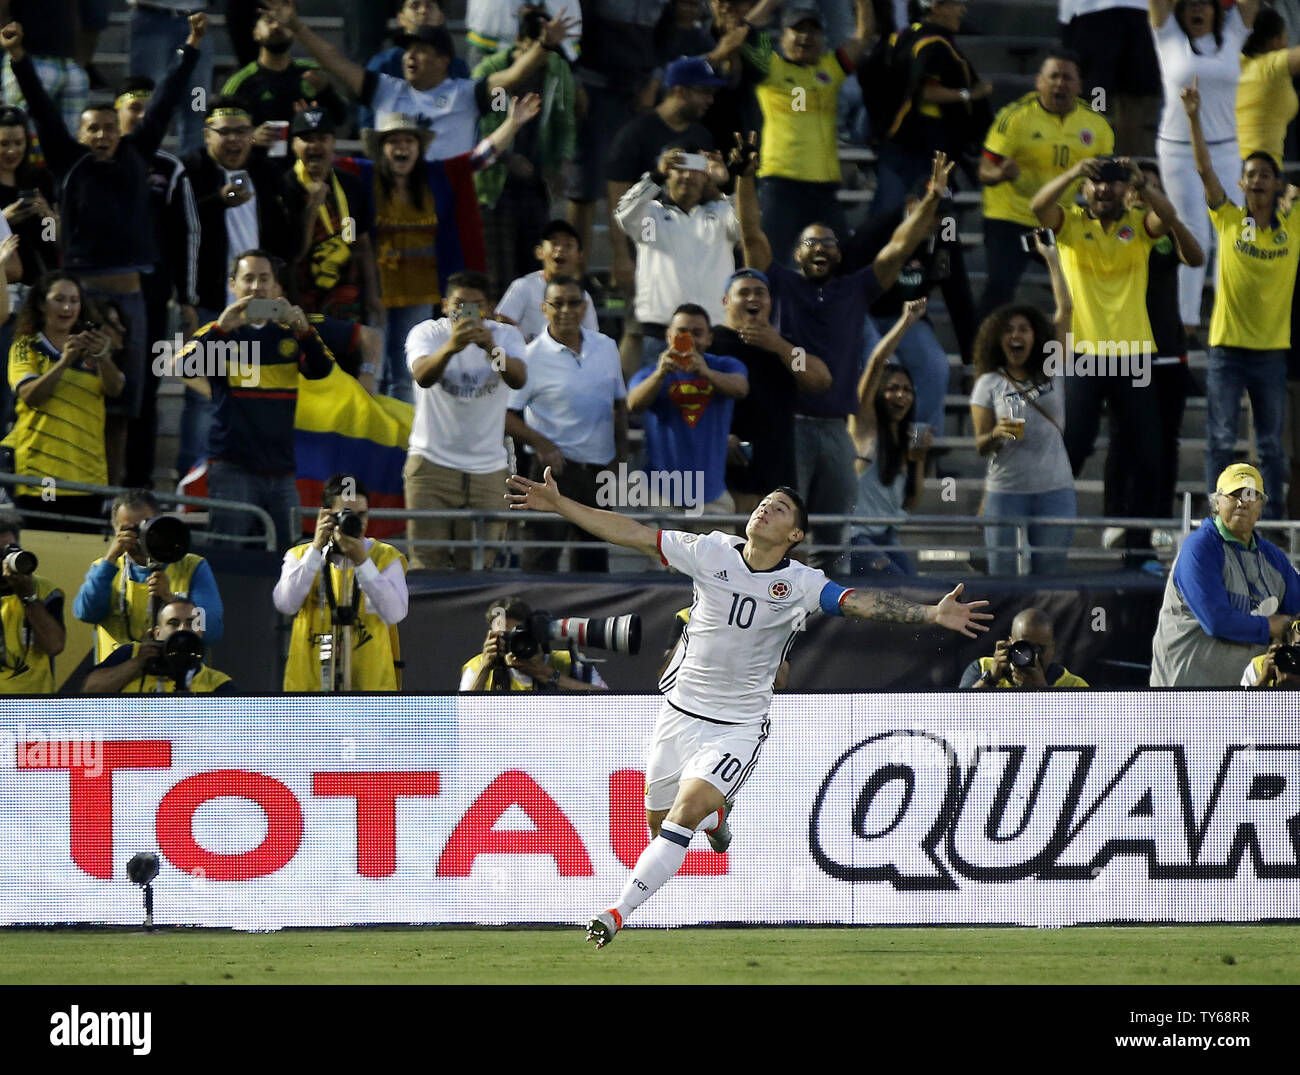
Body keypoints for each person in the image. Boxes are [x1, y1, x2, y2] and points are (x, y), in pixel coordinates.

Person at [504, 473, 991, 947]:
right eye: (764, 501)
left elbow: (859, 602)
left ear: (794, 535)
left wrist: (930, 612)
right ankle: (717, 822)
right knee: (657, 825)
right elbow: (631, 532)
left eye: (779, 508)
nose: (765, 508)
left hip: (735, 727)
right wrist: (562, 504)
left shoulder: (801, 583)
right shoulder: (710, 551)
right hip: (678, 714)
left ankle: (617, 912)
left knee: (682, 817)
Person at [2, 15, 204, 487]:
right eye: (93, 129)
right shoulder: (67, 161)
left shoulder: (140, 151)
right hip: (82, 297)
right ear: (82, 132)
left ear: (120, 131)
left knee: (126, 402)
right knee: (84, 393)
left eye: (109, 128)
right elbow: (40, 108)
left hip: (133, 299)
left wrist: (192, 47)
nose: (102, 136)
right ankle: (79, 492)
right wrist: (18, 58)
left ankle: (118, 496)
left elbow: (171, 96)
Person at [739, 147, 956, 569]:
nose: (821, 248)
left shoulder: (855, 289)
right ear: (797, 252)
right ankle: (781, 606)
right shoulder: (780, 282)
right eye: (811, 243)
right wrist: (745, 177)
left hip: (839, 430)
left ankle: (826, 617)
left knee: (837, 532)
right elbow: (751, 235)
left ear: (839, 253)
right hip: (792, 425)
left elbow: (900, 244)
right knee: (785, 528)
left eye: (829, 243)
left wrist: (932, 198)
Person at [1031, 154, 1183, 566]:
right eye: (1096, 183)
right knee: (1073, 449)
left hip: (1134, 357)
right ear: (1085, 189)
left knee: (1148, 455)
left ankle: (1138, 550)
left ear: (1124, 190)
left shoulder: (1139, 225)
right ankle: (1044, 540)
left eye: (1113, 183)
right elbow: (1036, 208)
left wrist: (1142, 183)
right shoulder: (1070, 224)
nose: (1104, 189)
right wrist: (1073, 171)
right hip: (1083, 356)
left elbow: (1167, 217)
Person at [358, 94, 541, 403]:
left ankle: (400, 442)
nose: (402, 147)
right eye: (393, 141)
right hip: (375, 291)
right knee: (373, 372)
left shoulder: (436, 177)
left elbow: (479, 158)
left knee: (403, 378)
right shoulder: (363, 177)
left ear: (419, 148)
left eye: (409, 141)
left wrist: (512, 123)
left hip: (418, 291)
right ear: (381, 148)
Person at [1183, 79, 1299, 519]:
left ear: (1276, 183)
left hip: (1271, 352)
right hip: (1227, 350)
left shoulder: (1294, 223)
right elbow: (1204, 171)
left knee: (1270, 446)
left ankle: (1272, 524)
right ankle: (1219, 520)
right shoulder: (1228, 218)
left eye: (1265, 175)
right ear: (1242, 183)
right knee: (1220, 441)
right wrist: (1194, 117)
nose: (1256, 181)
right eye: (1250, 175)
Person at [266, 0, 574, 163]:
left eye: (421, 51)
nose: (409, 57)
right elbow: (334, 61)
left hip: (450, 196)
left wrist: (544, 45)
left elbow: (514, 75)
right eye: (407, 50)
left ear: (443, 60)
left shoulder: (467, 93)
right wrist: (296, 26)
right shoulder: (385, 90)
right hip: (396, 200)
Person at [177, 249, 334, 549]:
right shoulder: (216, 332)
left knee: (288, 560)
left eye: (265, 279)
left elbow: (321, 371)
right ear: (232, 284)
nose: (256, 287)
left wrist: (305, 332)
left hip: (282, 472)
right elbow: (184, 367)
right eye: (248, 279)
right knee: (228, 555)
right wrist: (222, 328)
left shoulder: (293, 333)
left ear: (277, 287)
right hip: (232, 469)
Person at [727, 0, 877, 264]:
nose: (806, 36)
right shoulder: (770, 67)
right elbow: (742, 30)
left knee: (839, 264)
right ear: (782, 36)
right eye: (797, 30)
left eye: (813, 30)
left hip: (823, 187)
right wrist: (770, 4)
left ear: (822, 37)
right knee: (766, 261)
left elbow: (863, 36)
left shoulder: (829, 68)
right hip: (780, 184)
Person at [404, 269, 528, 570]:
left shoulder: (505, 336)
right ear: (445, 305)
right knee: (425, 563)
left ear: (489, 307)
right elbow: (423, 376)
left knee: (478, 566)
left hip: (487, 470)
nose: (467, 312)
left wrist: (490, 348)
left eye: (476, 305)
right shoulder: (428, 334)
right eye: (459, 304)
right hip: (431, 466)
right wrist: (451, 347)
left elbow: (517, 380)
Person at [1149, 0, 1259, 339]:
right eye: (1190, 5)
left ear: (1215, 10)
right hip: (1178, 151)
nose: (1196, 11)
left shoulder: (1234, 35)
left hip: (1226, 149)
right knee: (1194, 230)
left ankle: (1241, 314)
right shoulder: (1168, 37)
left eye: (1203, 5)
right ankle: (1187, 321)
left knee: (1238, 229)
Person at [977, 50, 1115, 316]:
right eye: (1053, 77)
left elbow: (1102, 177)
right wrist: (1001, 174)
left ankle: (1079, 350)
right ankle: (979, 353)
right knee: (1000, 287)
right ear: (1039, 82)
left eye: (1067, 78)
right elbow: (984, 171)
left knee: (1086, 284)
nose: (1059, 84)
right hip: (1010, 216)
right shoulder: (1015, 117)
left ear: (1079, 85)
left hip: (1057, 220)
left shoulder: (1096, 125)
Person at [970, 233, 1076, 576]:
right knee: (1002, 578)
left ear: (1036, 336)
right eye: (1009, 330)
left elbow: (1067, 309)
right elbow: (980, 446)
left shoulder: (1052, 367)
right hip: (1005, 492)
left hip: (1056, 491)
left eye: (1024, 329)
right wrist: (998, 433)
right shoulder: (989, 383)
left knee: (1051, 577)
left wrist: (1051, 258)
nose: (1016, 335)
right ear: (998, 340)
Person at [507, 275, 628, 573]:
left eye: (574, 302)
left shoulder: (607, 346)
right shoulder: (528, 356)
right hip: (551, 473)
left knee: (593, 564)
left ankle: (591, 622)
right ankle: (529, 621)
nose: (566, 310)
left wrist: (619, 458)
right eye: (557, 303)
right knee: (539, 561)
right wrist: (541, 443)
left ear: (585, 306)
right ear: (543, 308)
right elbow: (505, 416)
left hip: (599, 472)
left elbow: (620, 405)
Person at [114, 75, 200, 489]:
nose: (141, 116)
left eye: (149, 108)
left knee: (144, 392)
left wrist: (186, 296)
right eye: (134, 107)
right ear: (117, 113)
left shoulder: (170, 168)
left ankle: (140, 486)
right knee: (98, 386)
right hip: (94, 294)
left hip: (150, 298)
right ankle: (99, 486)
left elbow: (187, 234)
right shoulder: (90, 162)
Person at [1151, 463, 1300, 687]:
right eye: (1233, 494)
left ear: (1261, 505)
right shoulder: (1200, 547)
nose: (1242, 502)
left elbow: (1296, 614)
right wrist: (1271, 625)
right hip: (1182, 698)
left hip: (1238, 703)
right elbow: (1216, 621)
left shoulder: (1274, 559)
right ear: (1217, 503)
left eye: (1250, 495)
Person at [472, 4, 577, 294]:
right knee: (495, 273)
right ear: (520, 40)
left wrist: (563, 161)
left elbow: (564, 120)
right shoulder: (491, 70)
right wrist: (507, 158)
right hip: (494, 187)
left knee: (533, 272)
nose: (543, 56)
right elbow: (481, 129)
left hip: (535, 185)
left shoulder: (557, 70)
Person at [4, 273, 123, 529]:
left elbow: (116, 389)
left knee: (81, 560)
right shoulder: (26, 347)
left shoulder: (93, 349)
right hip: (39, 477)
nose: (67, 307)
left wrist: (103, 357)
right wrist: (65, 362)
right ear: (41, 304)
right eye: (59, 299)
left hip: (87, 478)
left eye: (74, 300)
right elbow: (30, 395)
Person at [710, 267, 831, 516]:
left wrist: (777, 345)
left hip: (777, 474)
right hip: (725, 474)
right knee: (731, 550)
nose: (753, 298)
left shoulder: (786, 349)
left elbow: (820, 380)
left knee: (785, 552)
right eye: (744, 293)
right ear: (725, 301)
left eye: (760, 293)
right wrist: (717, 437)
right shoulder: (711, 343)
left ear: (770, 302)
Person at [273, 472, 409, 691]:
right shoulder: (299, 556)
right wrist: (316, 549)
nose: (356, 522)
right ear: (326, 515)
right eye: (346, 514)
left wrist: (362, 562)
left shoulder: (385, 557)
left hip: (370, 689)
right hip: (308, 687)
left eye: (362, 515)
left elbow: (395, 613)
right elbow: (285, 604)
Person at [615, 143, 740, 370]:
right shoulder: (651, 215)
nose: (686, 175)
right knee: (655, 403)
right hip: (658, 335)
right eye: (678, 167)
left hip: (713, 337)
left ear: (706, 177)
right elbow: (624, 213)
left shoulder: (721, 214)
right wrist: (655, 176)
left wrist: (728, 184)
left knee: (712, 404)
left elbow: (748, 226)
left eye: (694, 168)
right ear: (667, 173)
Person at [868, 0, 992, 220]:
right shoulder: (933, 44)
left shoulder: (904, 36)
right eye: (956, 4)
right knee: (940, 215)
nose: (962, 9)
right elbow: (925, 92)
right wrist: (969, 95)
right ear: (936, 6)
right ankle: (941, 252)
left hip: (894, 141)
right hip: (927, 147)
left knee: (889, 213)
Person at [627, 303, 749, 522]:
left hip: (711, 496)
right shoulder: (649, 373)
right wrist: (660, 374)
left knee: (717, 558)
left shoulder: (725, 365)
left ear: (709, 339)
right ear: (668, 336)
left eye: (697, 333)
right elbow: (634, 405)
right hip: (661, 496)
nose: (690, 340)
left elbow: (740, 388)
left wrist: (705, 372)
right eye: (682, 333)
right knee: (664, 558)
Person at [73, 488, 223, 664]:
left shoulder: (192, 566)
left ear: (161, 523)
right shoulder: (104, 568)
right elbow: (86, 613)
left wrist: (170, 600)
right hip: (118, 680)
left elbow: (211, 629)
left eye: (146, 527)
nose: (139, 538)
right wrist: (110, 558)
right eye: (130, 530)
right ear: (116, 532)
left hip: (177, 680)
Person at [848, 299, 929, 576]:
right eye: (892, 388)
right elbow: (875, 363)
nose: (901, 395)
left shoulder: (908, 438)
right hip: (854, 538)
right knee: (895, 582)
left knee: (916, 585)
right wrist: (906, 321)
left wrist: (918, 460)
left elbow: (911, 502)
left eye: (907, 390)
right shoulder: (864, 427)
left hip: (885, 536)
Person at [279, 108, 380, 326]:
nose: (315, 146)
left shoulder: (352, 184)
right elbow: (293, 254)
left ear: (333, 143)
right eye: (306, 139)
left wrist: (373, 295)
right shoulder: (283, 187)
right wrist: (312, 206)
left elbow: (361, 243)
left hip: (348, 300)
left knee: (349, 359)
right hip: (300, 301)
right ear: (294, 145)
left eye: (322, 138)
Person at [221, 5, 348, 136]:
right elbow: (222, 131)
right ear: (255, 33)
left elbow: (339, 119)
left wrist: (325, 91)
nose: (276, 26)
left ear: (294, 31)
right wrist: (252, 139)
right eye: (269, 21)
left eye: (283, 22)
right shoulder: (240, 83)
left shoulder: (313, 74)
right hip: (257, 156)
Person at [1061, 0, 1161, 157]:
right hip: (1090, 14)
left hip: (1141, 14)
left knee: (1137, 99)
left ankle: (1137, 169)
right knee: (1097, 93)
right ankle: (1092, 159)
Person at [361, 0, 472, 132]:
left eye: (430, 6)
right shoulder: (382, 65)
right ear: (401, 18)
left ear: (441, 17)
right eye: (415, 6)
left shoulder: (457, 66)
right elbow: (368, 124)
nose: (423, 11)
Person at [82, 597, 232, 694]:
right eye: (173, 623)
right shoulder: (132, 653)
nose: (182, 629)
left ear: (200, 632)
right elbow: (90, 690)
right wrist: (139, 661)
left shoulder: (217, 682)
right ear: (156, 633)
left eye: (191, 623)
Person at [459, 594, 609, 691]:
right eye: (505, 636)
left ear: (534, 634)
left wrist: (546, 673)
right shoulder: (478, 666)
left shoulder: (568, 661)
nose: (513, 644)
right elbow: (463, 717)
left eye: (518, 635)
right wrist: (485, 667)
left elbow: (612, 703)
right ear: (491, 637)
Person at [127, 0, 214, 160]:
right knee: (145, 102)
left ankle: (195, 168)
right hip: (151, 15)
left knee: (198, 101)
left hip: (196, 15)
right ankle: (143, 167)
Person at [495, 218, 599, 343]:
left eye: (569, 245)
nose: (560, 249)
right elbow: (503, 322)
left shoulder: (583, 296)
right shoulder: (523, 286)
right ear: (540, 252)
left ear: (580, 256)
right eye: (554, 243)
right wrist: (529, 348)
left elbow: (592, 337)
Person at [0, 506, 65, 694]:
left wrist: (27, 596)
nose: (6, 559)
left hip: (32, 708)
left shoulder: (45, 590)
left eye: (11, 550)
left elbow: (54, 645)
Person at [959, 607, 1089, 687]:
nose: (1032, 656)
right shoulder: (982, 668)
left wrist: (1042, 691)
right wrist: (991, 679)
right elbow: (959, 715)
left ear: (1052, 648)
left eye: (1039, 649)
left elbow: (1081, 728)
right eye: (1024, 647)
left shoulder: (1073, 686)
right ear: (1010, 643)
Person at [1236, 7, 1300, 165]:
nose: (1288, 44)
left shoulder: (1235, 63)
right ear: (1275, 42)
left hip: (1232, 163)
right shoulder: (1271, 67)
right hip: (1261, 170)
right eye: (1286, 37)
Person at [1241, 616, 1300, 687]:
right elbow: (1244, 698)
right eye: (1297, 650)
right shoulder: (1260, 666)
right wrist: (1263, 680)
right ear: (1289, 643)